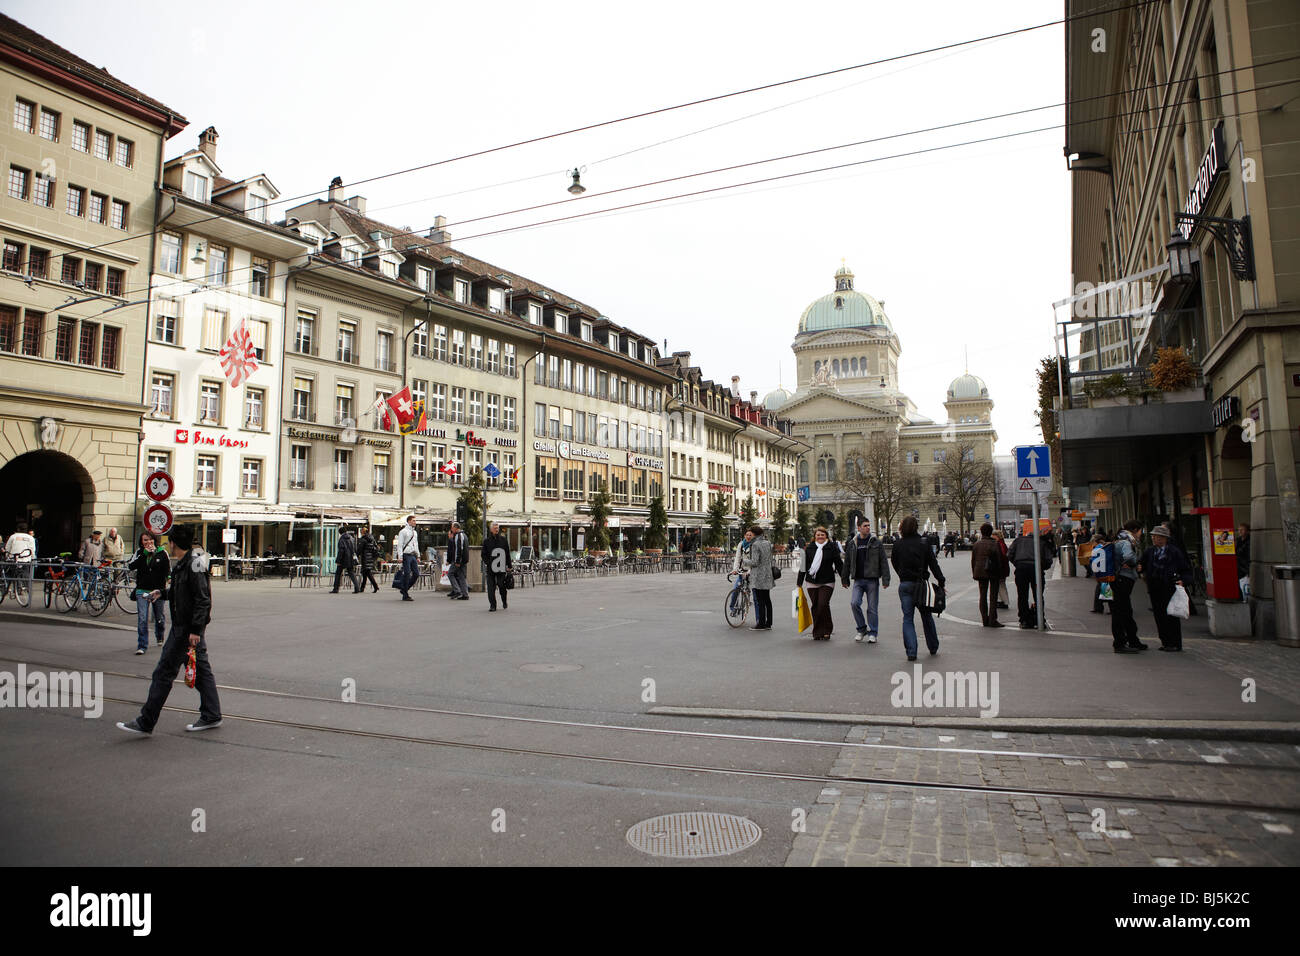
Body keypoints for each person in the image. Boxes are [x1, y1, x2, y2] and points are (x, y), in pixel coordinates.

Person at [116, 524, 222, 735]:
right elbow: (182, 592)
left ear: (173, 543)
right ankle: (211, 714)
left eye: (169, 541)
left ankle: (146, 721)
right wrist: (162, 593)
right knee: (201, 672)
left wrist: (195, 630)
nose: (169, 545)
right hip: (186, 628)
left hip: (185, 630)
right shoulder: (186, 563)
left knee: (163, 673)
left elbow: (203, 599)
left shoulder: (194, 564)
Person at [890, 515, 945, 661]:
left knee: (907, 618)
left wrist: (902, 574)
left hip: (905, 584)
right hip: (921, 585)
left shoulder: (897, 544)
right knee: (926, 616)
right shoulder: (923, 543)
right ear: (916, 527)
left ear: (901, 528)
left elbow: (895, 563)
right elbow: (933, 564)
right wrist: (941, 581)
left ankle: (911, 651)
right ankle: (933, 646)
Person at [1140, 524, 1194, 651]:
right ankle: (1165, 641)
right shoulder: (1150, 551)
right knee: (1159, 615)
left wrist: (1184, 581)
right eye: (1153, 536)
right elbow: (1141, 564)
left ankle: (1175, 643)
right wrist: (1141, 571)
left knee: (1171, 614)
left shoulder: (1174, 552)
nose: (1153, 539)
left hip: (1170, 586)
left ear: (1164, 538)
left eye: (1156, 537)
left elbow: (1185, 569)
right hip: (1155, 587)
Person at [843, 517, 890, 643]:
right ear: (858, 528)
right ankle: (862, 628)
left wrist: (886, 579)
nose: (868, 528)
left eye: (869, 525)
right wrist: (845, 578)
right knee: (854, 603)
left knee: (872, 608)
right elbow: (847, 561)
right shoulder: (853, 543)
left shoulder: (876, 542)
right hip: (858, 579)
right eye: (865, 526)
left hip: (872, 579)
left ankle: (873, 632)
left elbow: (883, 561)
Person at [797, 526, 843, 640]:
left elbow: (838, 563)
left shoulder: (831, 547)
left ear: (826, 536)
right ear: (815, 537)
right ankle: (817, 631)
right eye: (818, 535)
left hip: (827, 581)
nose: (820, 537)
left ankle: (827, 629)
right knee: (816, 606)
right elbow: (803, 565)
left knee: (823, 604)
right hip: (811, 581)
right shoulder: (809, 548)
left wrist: (844, 578)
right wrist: (799, 581)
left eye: (822, 535)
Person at [127, 531, 170, 654]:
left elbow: (167, 570)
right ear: (141, 542)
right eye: (145, 540)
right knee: (142, 618)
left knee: (159, 617)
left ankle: (160, 635)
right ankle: (142, 645)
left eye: (150, 540)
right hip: (142, 590)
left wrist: (169, 579)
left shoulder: (162, 552)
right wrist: (144, 555)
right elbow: (131, 566)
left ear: (154, 540)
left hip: (157, 590)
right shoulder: (140, 553)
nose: (148, 542)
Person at [1110, 520, 1147, 653]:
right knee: (1121, 611)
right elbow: (1130, 558)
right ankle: (1120, 643)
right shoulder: (1126, 542)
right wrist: (1135, 564)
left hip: (1119, 579)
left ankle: (1132, 640)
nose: (1141, 534)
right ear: (1136, 530)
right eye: (1141, 531)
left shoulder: (1118, 539)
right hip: (1123, 579)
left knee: (1124, 610)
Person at [1007, 529, 1051, 629]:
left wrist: (1017, 563)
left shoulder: (1018, 541)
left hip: (1021, 569)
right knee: (1038, 595)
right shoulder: (1042, 542)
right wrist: (1042, 567)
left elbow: (1009, 554)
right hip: (1036, 570)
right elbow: (1048, 559)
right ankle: (1040, 618)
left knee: (1022, 595)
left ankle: (1024, 620)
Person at [971, 523, 1005, 628]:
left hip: (980, 572)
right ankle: (992, 620)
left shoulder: (977, 544)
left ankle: (984, 619)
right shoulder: (995, 544)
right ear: (991, 532)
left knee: (983, 596)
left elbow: (973, 560)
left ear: (981, 532)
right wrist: (1001, 574)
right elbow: (999, 560)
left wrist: (974, 572)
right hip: (993, 572)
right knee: (993, 596)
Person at [747, 526, 774, 630]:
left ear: (754, 534)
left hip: (758, 575)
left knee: (760, 600)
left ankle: (761, 623)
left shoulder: (755, 544)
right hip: (767, 574)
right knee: (767, 599)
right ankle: (769, 623)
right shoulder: (767, 543)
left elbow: (755, 562)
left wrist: (744, 561)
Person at [481, 521, 512, 611]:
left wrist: (509, 565)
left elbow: (507, 553)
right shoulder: (486, 541)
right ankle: (493, 605)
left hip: (501, 567)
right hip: (491, 568)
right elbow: (483, 554)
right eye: (495, 528)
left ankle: (504, 601)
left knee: (501, 585)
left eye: (497, 528)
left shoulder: (503, 540)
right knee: (491, 588)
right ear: (491, 529)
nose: (496, 529)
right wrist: (488, 563)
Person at [394, 515, 420, 602]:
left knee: (416, 573)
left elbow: (416, 544)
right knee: (407, 573)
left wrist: (418, 555)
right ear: (409, 521)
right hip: (406, 555)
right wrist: (400, 556)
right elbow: (400, 545)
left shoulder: (415, 532)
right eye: (413, 521)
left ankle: (404, 589)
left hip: (413, 555)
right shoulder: (403, 532)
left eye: (415, 521)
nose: (415, 522)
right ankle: (405, 594)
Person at [730, 527, 754, 614]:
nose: (748, 536)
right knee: (736, 588)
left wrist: (750, 571)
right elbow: (737, 558)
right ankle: (732, 608)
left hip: (751, 571)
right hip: (742, 570)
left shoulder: (754, 545)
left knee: (750, 588)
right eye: (747, 535)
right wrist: (735, 570)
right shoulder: (741, 544)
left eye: (750, 535)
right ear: (744, 536)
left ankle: (748, 599)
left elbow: (754, 560)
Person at [330, 526, 360, 593]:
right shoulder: (352, 538)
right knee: (351, 573)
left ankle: (336, 589)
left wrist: (338, 560)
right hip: (351, 559)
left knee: (338, 574)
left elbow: (341, 551)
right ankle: (357, 588)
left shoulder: (341, 539)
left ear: (340, 533)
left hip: (343, 559)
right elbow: (355, 549)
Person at [446, 522, 469, 600]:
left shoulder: (458, 536)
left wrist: (457, 561)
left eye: (452, 528)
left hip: (459, 560)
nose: (451, 529)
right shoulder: (464, 535)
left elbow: (459, 550)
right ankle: (465, 594)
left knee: (450, 574)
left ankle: (457, 590)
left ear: (455, 528)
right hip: (464, 560)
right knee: (462, 577)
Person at [356, 525, 380, 593]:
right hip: (371, 558)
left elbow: (359, 550)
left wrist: (356, 556)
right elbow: (376, 548)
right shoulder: (372, 539)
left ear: (362, 532)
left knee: (368, 573)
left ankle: (375, 586)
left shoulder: (363, 540)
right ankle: (362, 588)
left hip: (365, 558)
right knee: (365, 573)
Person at [991, 529, 1010, 609]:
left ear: (996, 536)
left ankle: (1004, 601)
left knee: (1001, 585)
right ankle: (1001, 601)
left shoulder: (999, 544)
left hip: (1000, 568)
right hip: (1003, 568)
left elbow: (1002, 557)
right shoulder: (1002, 543)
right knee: (1000, 585)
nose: (992, 537)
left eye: (993, 535)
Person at [1237, 522, 1251, 600]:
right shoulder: (1238, 540)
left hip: (1244, 567)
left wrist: (1248, 571)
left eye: (1242, 530)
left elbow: (1248, 556)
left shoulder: (1248, 541)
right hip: (1239, 566)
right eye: (1239, 530)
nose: (1240, 532)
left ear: (1247, 531)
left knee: (1245, 587)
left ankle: (1245, 599)